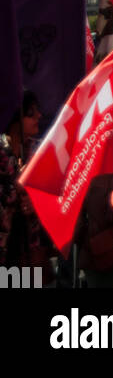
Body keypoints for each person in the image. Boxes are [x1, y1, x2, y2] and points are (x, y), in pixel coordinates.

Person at [0, 93, 53, 276]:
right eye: (31, 112)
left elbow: (53, 197)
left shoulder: (37, 153)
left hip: (29, 252)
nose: (39, 116)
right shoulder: (2, 156)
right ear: (14, 118)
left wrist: (36, 202)